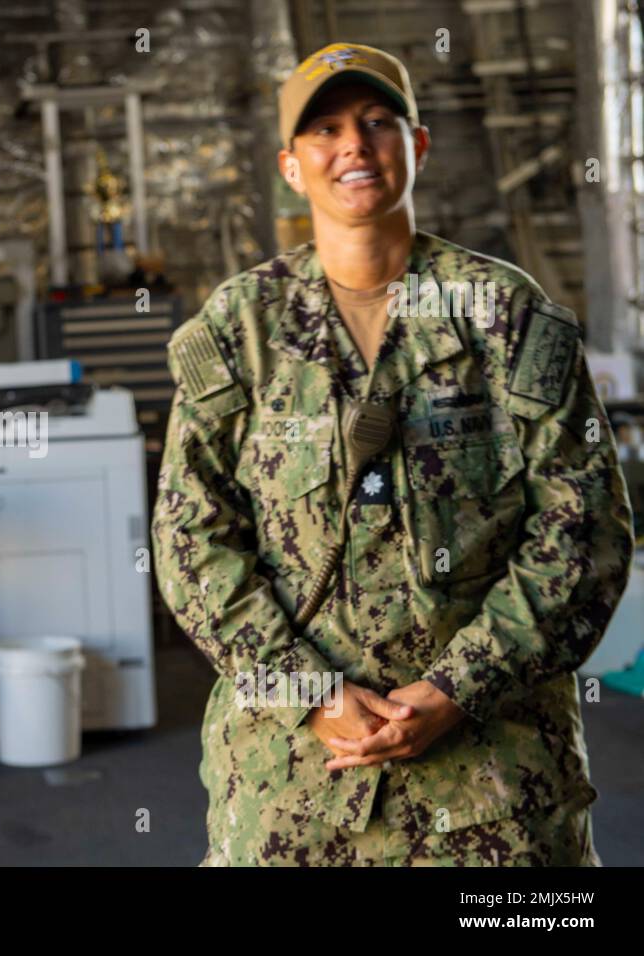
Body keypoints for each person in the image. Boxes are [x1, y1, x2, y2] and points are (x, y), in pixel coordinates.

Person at [152, 42, 634, 865]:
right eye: (326, 130)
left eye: (378, 122)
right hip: (294, 788)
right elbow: (191, 542)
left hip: (491, 791)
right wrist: (307, 691)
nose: (354, 146)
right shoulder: (240, 330)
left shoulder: (506, 315)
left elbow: (583, 530)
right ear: (292, 167)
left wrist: (457, 689)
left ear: (417, 145)